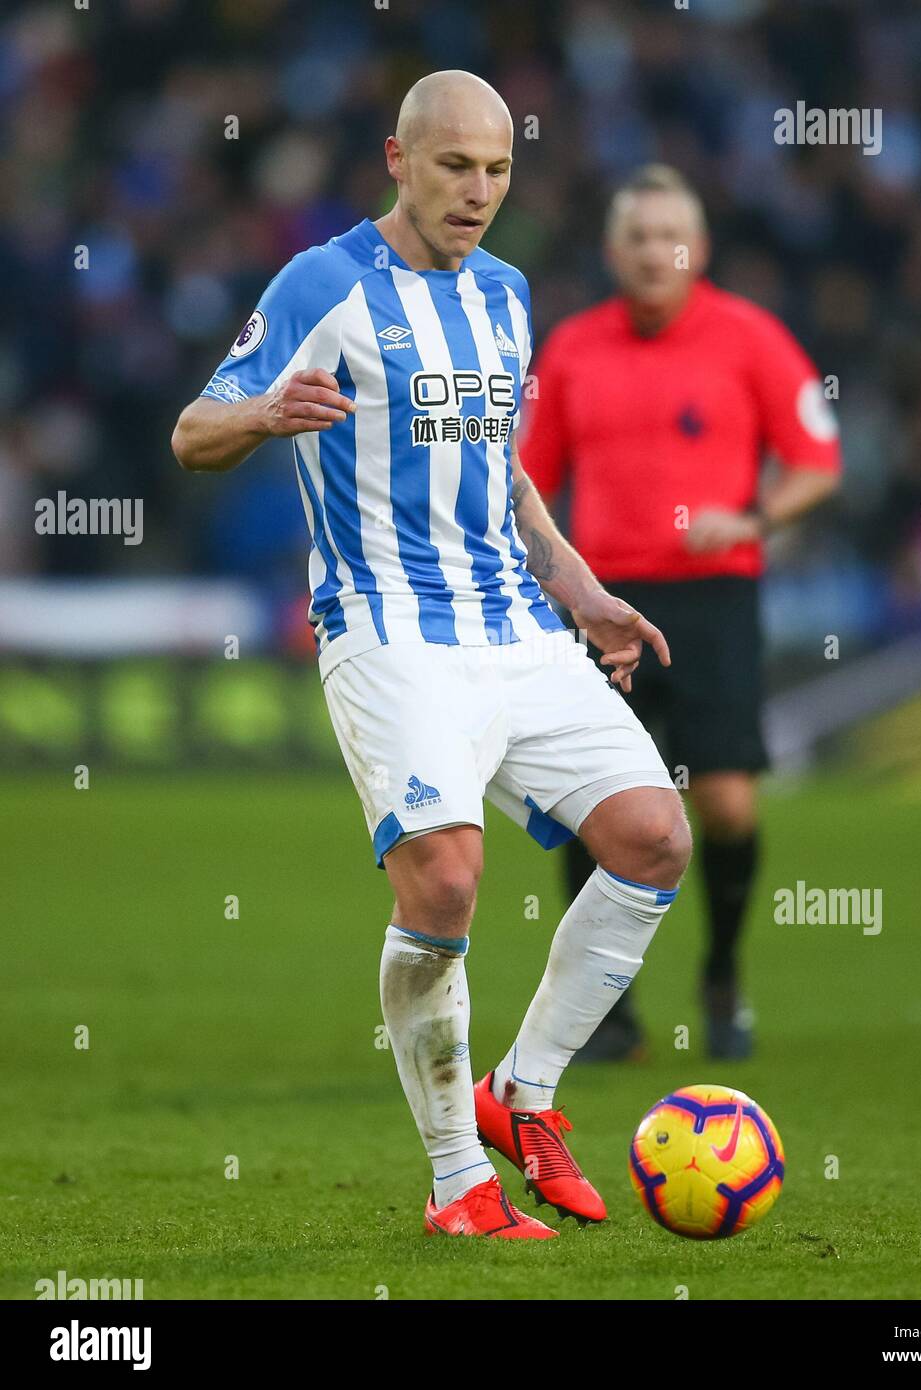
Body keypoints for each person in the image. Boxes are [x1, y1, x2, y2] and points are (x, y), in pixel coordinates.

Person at [171, 74, 691, 1240]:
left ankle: (525, 1092)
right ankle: (459, 1178)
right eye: (455, 165)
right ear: (396, 159)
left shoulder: (506, 298)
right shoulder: (322, 281)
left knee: (655, 838)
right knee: (446, 880)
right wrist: (263, 415)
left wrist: (584, 590)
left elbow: (501, 476)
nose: (478, 191)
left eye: (498, 169)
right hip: (386, 627)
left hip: (512, 620)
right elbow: (193, 428)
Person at [520, 165, 841, 1063]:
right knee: (595, 805)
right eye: (635, 235)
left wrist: (752, 518)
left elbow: (816, 459)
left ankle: (722, 973)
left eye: (670, 234)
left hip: (714, 600)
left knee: (727, 804)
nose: (653, 251)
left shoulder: (750, 339)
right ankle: (602, 1012)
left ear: (696, 250)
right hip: (602, 601)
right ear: (611, 251)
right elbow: (526, 482)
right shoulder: (574, 350)